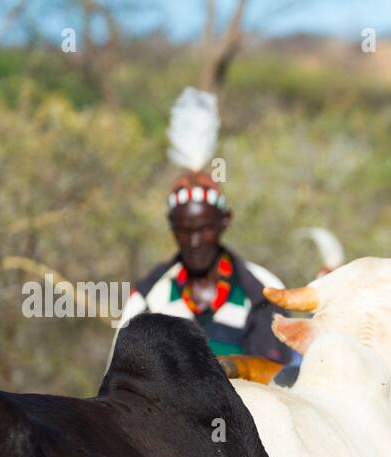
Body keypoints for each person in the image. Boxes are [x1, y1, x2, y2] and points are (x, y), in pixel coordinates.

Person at [113, 88, 295, 366]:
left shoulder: (265, 292)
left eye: (204, 229)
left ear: (225, 221)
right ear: (172, 227)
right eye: (184, 231)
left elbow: (283, 384)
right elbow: (119, 387)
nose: (195, 242)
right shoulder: (150, 297)